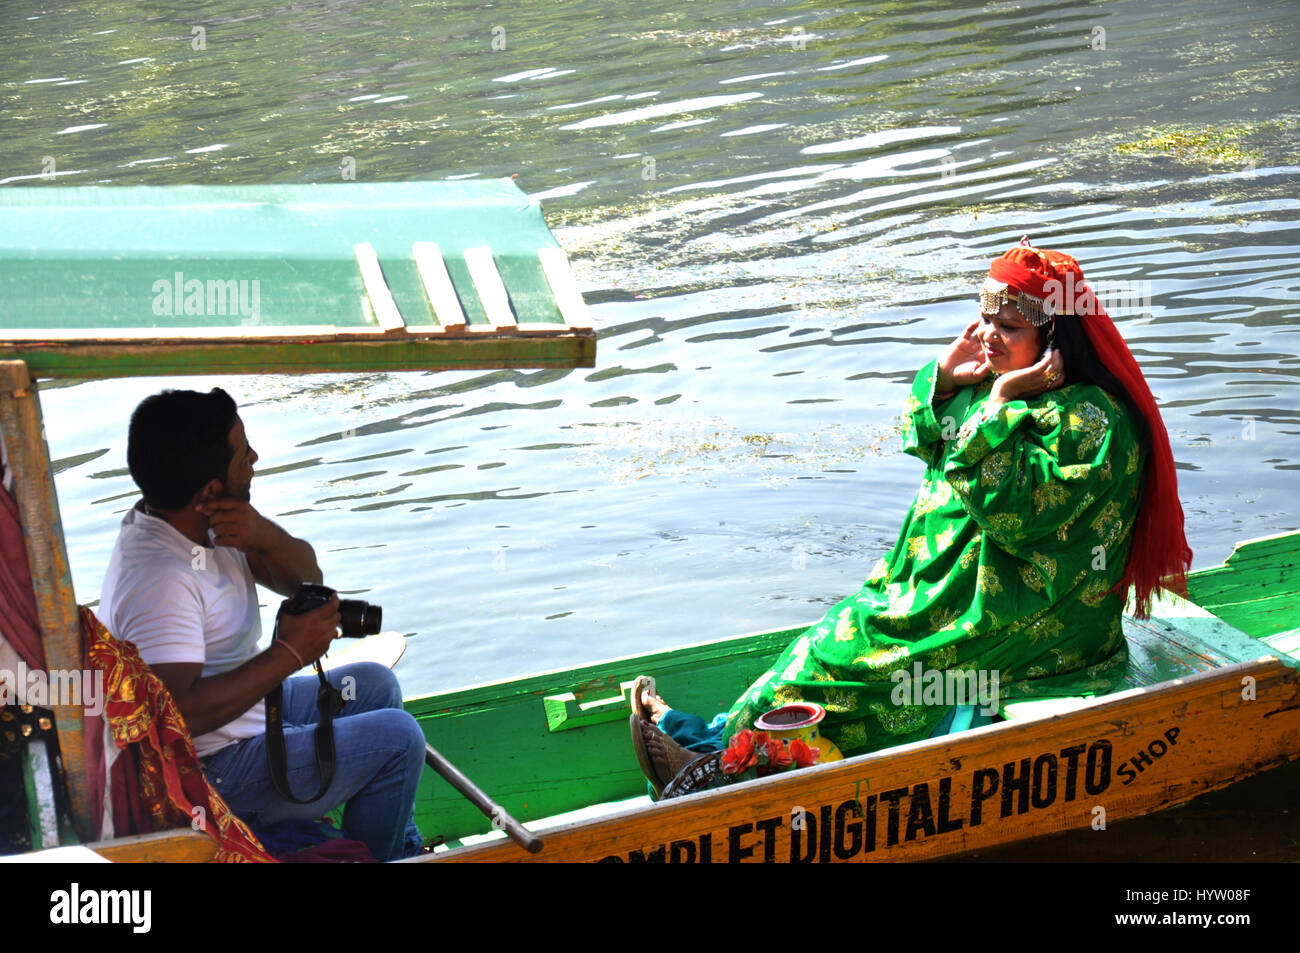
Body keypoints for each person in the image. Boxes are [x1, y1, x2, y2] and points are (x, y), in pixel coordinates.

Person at [632, 240, 1192, 789]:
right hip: (945, 586)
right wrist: (945, 381)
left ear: (1055, 335)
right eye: (984, 320)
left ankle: (720, 764)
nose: (988, 336)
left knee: (851, 664)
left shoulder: (1091, 422)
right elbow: (929, 445)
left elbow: (1018, 518)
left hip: (1031, 617)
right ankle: (712, 748)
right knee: (829, 641)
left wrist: (998, 407)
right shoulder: (1001, 385)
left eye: (1009, 327)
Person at [97, 388, 425, 861]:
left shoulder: (202, 522)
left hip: (245, 721)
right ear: (210, 489)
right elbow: (176, 717)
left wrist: (264, 535)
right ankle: (377, 855)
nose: (255, 458)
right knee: (400, 740)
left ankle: (393, 840)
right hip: (211, 772)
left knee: (374, 684)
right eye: (242, 453)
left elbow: (307, 580)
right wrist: (289, 655)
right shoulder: (160, 579)